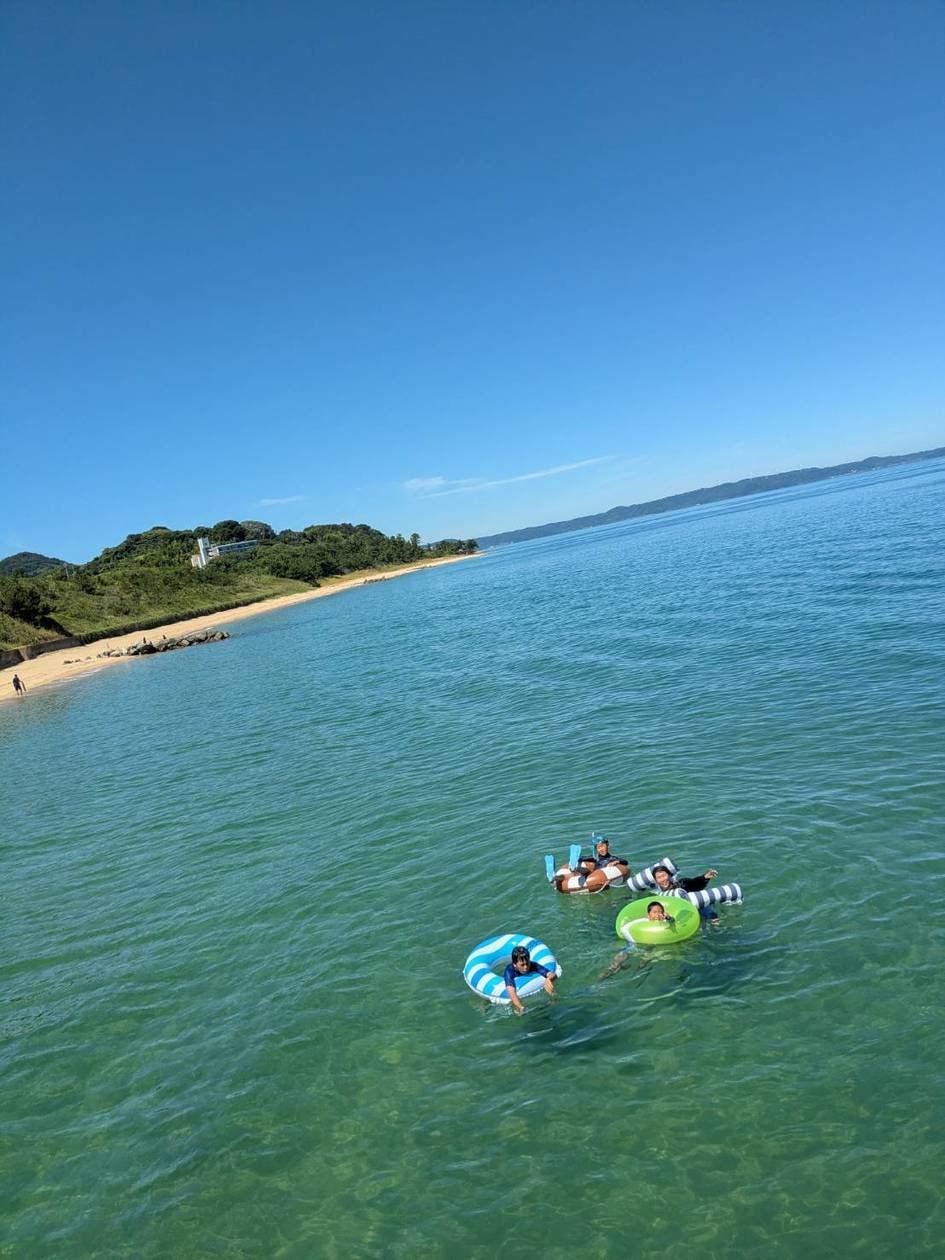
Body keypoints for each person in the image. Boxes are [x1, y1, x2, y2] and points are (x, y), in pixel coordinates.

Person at [504, 944, 556, 1015]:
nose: (526, 967)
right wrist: (521, 1007)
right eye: (522, 965)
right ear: (514, 964)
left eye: (527, 963)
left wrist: (548, 979)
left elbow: (552, 974)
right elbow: (512, 994)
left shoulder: (533, 965)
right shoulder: (509, 971)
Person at [651, 864, 718, 894]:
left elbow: (695, 884)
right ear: (656, 880)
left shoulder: (682, 884)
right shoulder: (657, 893)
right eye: (659, 877)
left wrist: (704, 877)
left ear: (670, 876)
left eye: (664, 875)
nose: (663, 879)